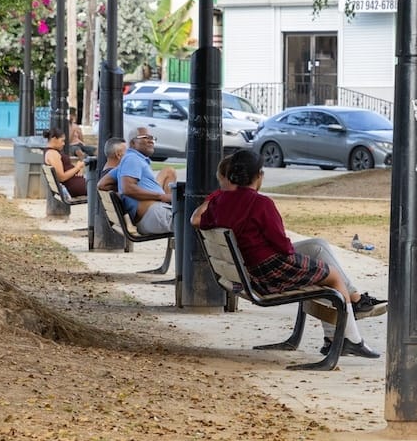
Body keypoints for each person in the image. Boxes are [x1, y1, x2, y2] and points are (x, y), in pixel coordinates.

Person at [192, 149, 379, 358]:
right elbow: (282, 246)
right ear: (259, 176)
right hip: (267, 271)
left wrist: (218, 195)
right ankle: (352, 338)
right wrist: (295, 257)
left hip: (248, 269)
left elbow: (195, 219)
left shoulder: (219, 203)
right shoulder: (262, 203)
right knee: (332, 276)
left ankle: (333, 335)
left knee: (317, 248)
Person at [115, 127, 177, 234]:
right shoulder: (132, 159)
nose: (150, 140)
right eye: (145, 137)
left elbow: (103, 183)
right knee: (196, 221)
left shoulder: (131, 159)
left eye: (152, 138)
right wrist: (160, 196)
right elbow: (128, 188)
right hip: (152, 216)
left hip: (152, 216)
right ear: (133, 143)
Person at [43, 127, 87, 198]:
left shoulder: (52, 152)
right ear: (54, 139)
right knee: (104, 188)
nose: (63, 144)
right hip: (73, 187)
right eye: (62, 141)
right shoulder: (52, 154)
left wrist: (78, 169)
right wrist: (77, 167)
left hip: (75, 184)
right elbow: (62, 177)